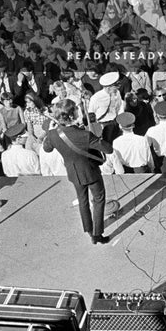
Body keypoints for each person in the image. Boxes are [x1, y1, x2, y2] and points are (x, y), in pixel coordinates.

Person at [43, 98, 112, 244]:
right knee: (98, 200)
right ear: (71, 115)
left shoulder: (53, 134)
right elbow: (108, 149)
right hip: (90, 172)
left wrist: (51, 130)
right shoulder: (84, 135)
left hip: (73, 173)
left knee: (83, 201)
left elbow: (47, 149)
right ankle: (98, 233)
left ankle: (89, 231)